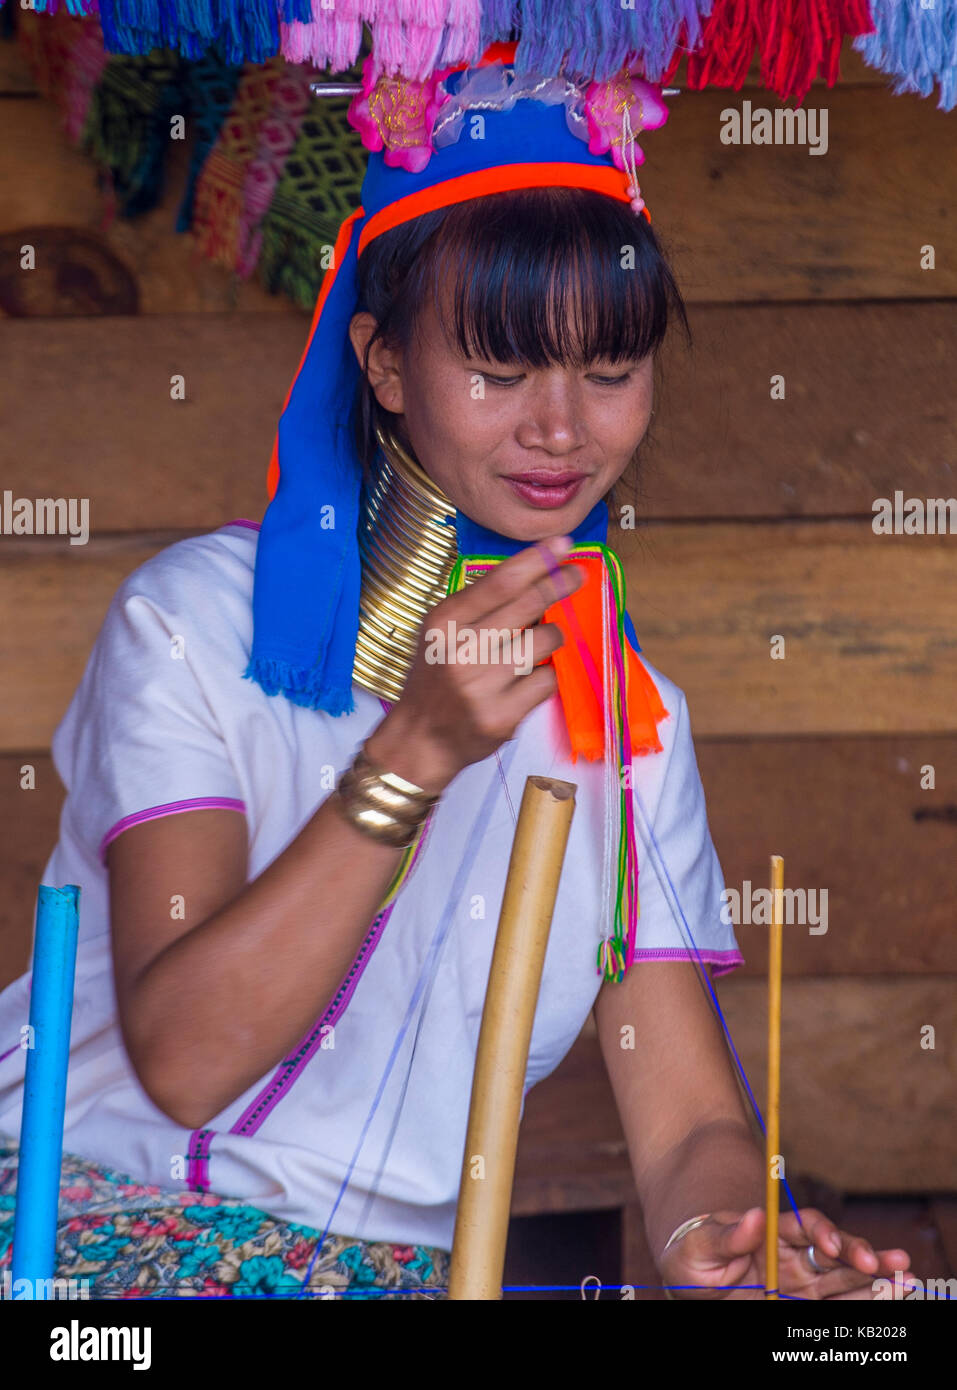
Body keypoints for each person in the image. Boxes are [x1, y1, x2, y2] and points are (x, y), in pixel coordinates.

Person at [0, 46, 914, 1301]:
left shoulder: (624, 723)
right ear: (382, 364)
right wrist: (414, 751)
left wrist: (730, 1239)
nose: (562, 429)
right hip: (80, 1230)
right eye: (498, 370)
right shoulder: (192, 626)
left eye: (611, 373)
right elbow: (185, 1058)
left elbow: (689, 1123)